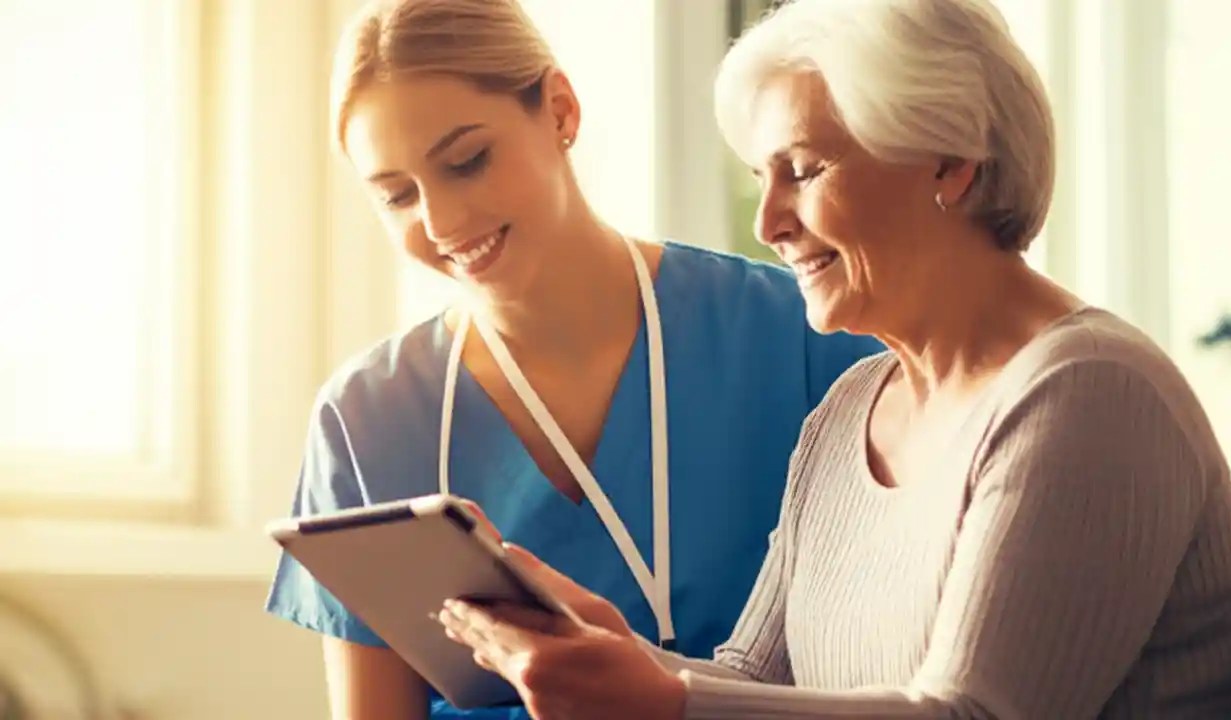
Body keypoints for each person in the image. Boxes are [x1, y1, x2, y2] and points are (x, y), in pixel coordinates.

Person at [436, 0, 1231, 717]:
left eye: (804, 170)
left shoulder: (1090, 393)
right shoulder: (852, 405)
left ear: (950, 159)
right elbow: (752, 682)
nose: (769, 222)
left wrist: (666, 702)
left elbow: (977, 715)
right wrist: (618, 653)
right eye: (762, 176)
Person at [263, 0, 883, 718]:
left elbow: (898, 671)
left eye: (467, 162)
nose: (441, 223)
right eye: (397, 196)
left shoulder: (806, 342)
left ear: (560, 110)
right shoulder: (367, 421)